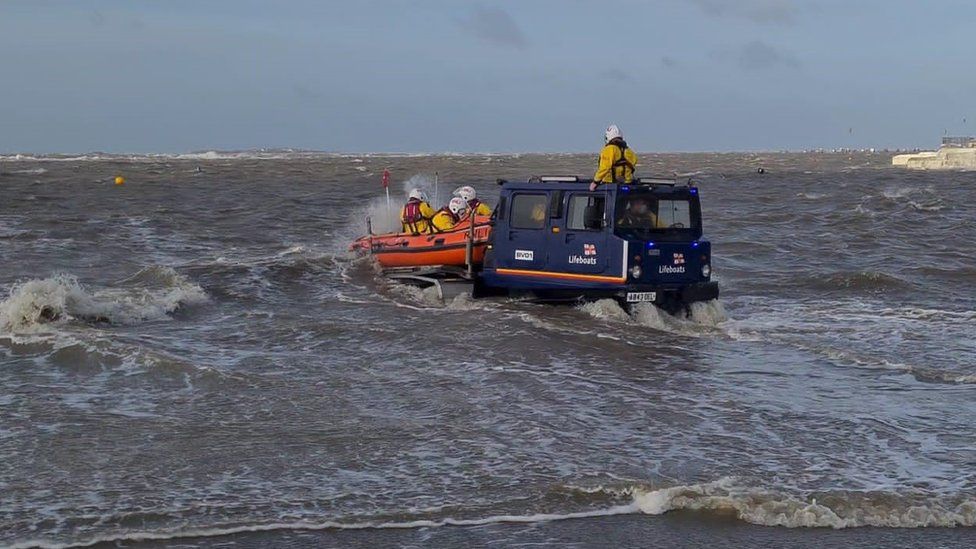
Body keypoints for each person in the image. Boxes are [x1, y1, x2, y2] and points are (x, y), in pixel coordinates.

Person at [590, 124, 638, 191]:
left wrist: (595, 182)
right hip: (627, 184)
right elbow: (633, 163)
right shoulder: (629, 151)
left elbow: (605, 167)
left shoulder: (609, 149)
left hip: (610, 185)